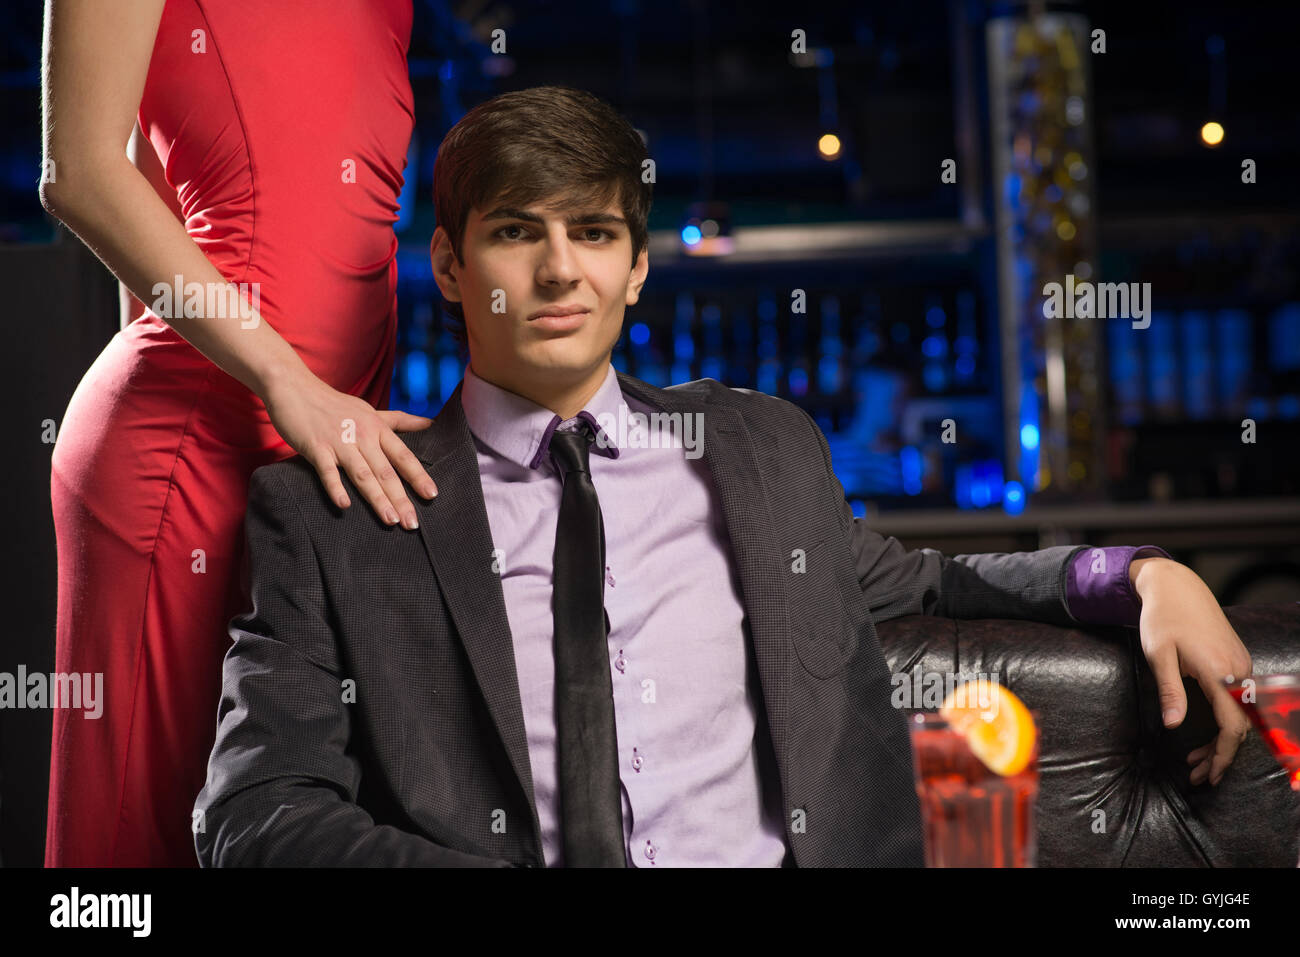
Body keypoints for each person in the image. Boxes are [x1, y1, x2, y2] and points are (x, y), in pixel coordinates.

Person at [195, 85, 1253, 867]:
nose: (560, 269)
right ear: (449, 266)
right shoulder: (334, 511)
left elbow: (933, 583)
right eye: (517, 234)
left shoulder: (756, 450)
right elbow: (257, 815)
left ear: (636, 269)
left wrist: (1142, 576)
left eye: (594, 233)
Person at [40, 0, 435, 867]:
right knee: (136, 859)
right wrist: (281, 377)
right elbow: (80, 171)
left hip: (314, 441)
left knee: (279, 827)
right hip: (190, 449)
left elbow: (162, 168)